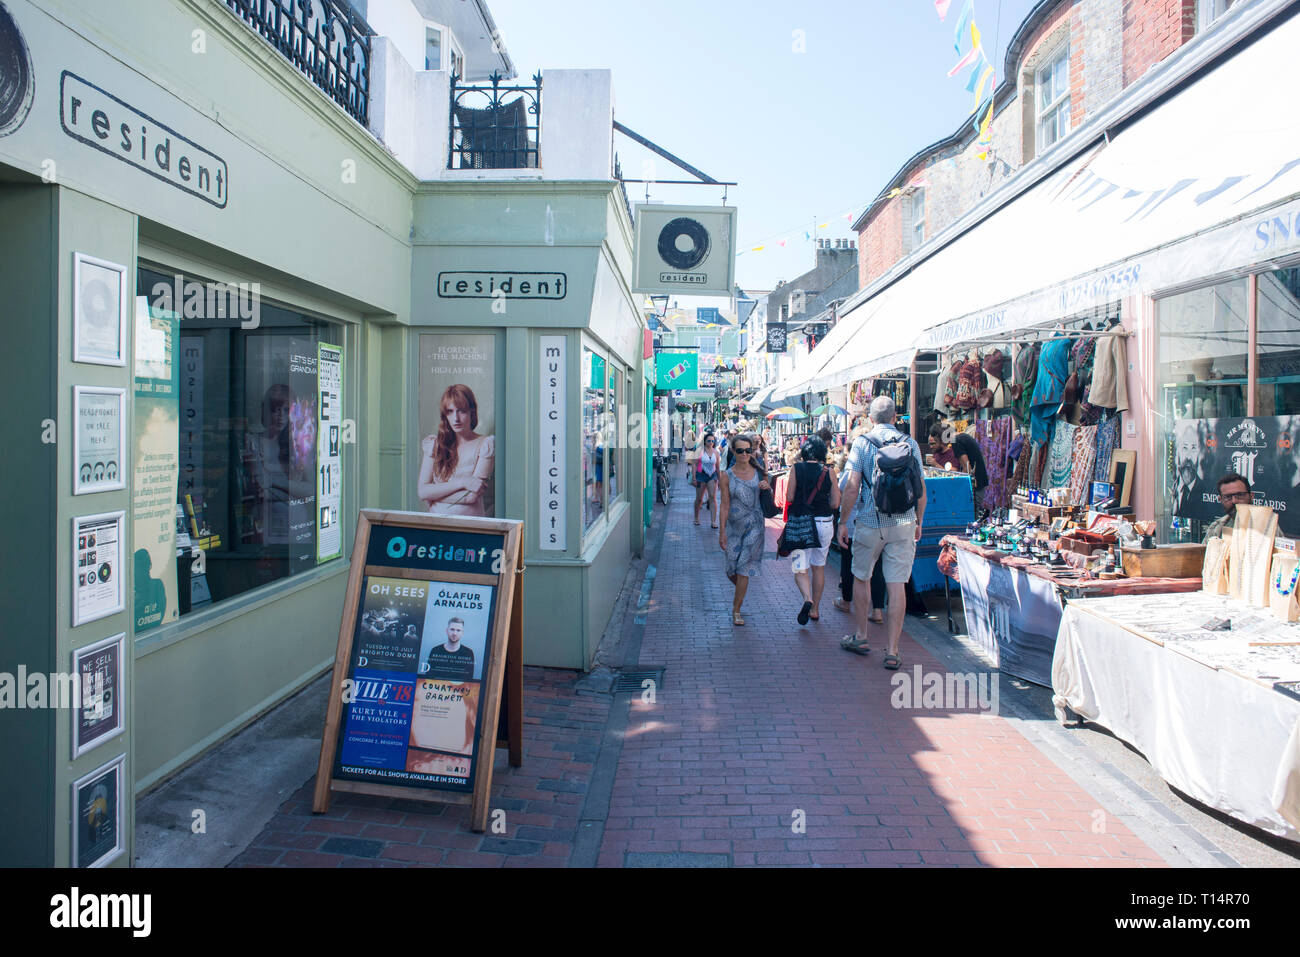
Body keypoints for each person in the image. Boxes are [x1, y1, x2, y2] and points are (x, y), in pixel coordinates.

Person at [837, 396, 926, 670]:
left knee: (861, 577)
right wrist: (918, 521)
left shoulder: (862, 444)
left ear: (870, 418)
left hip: (870, 520)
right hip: (903, 523)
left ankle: (862, 636)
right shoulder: (910, 444)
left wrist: (843, 521)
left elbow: (852, 486)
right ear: (895, 417)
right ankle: (893, 650)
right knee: (896, 583)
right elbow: (921, 490)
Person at [787, 437, 841, 625]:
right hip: (824, 522)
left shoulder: (796, 469)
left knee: (800, 568)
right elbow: (835, 503)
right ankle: (816, 609)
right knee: (819, 567)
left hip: (802, 522)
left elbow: (790, 496)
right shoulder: (829, 472)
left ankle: (807, 599)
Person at [419, 384, 494, 516]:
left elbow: (470, 497)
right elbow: (422, 492)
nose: (456, 418)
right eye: (450, 411)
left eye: (461, 411)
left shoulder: (486, 445)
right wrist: (464, 482)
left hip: (468, 527)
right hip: (434, 524)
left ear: (472, 411)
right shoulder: (434, 445)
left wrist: (433, 494)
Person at [719, 433, 770, 626]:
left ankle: (736, 610)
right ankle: (742, 586)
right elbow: (724, 505)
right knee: (731, 569)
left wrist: (767, 487)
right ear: (733, 451)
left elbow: (768, 497)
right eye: (740, 450)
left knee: (743, 570)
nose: (744, 454)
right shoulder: (726, 476)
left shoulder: (759, 472)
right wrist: (721, 531)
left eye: (748, 451)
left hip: (755, 527)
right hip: (733, 528)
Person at [928, 422, 988, 496]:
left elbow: (967, 468)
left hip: (976, 485)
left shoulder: (957, 441)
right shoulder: (962, 437)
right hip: (979, 482)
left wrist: (960, 488)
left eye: (938, 440)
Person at [424, 616, 476, 682]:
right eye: (452, 629)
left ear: (462, 633)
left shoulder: (468, 653)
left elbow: (468, 680)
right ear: (447, 631)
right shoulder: (435, 651)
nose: (454, 633)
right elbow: (428, 677)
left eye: (458, 630)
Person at [1204, 473, 1253, 541]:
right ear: (1220, 500)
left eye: (1240, 495)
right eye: (1228, 497)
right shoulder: (1217, 528)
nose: (1234, 501)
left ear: (1251, 496)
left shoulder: (1270, 525)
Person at [694, 434, 721, 527]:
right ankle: (696, 518)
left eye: (713, 441)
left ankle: (713, 521)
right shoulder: (699, 451)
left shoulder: (716, 452)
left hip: (712, 476)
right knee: (699, 498)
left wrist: (720, 480)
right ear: (705, 441)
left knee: (712, 497)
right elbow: (694, 464)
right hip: (701, 475)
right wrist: (694, 477)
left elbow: (717, 467)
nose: (711, 443)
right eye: (709, 441)